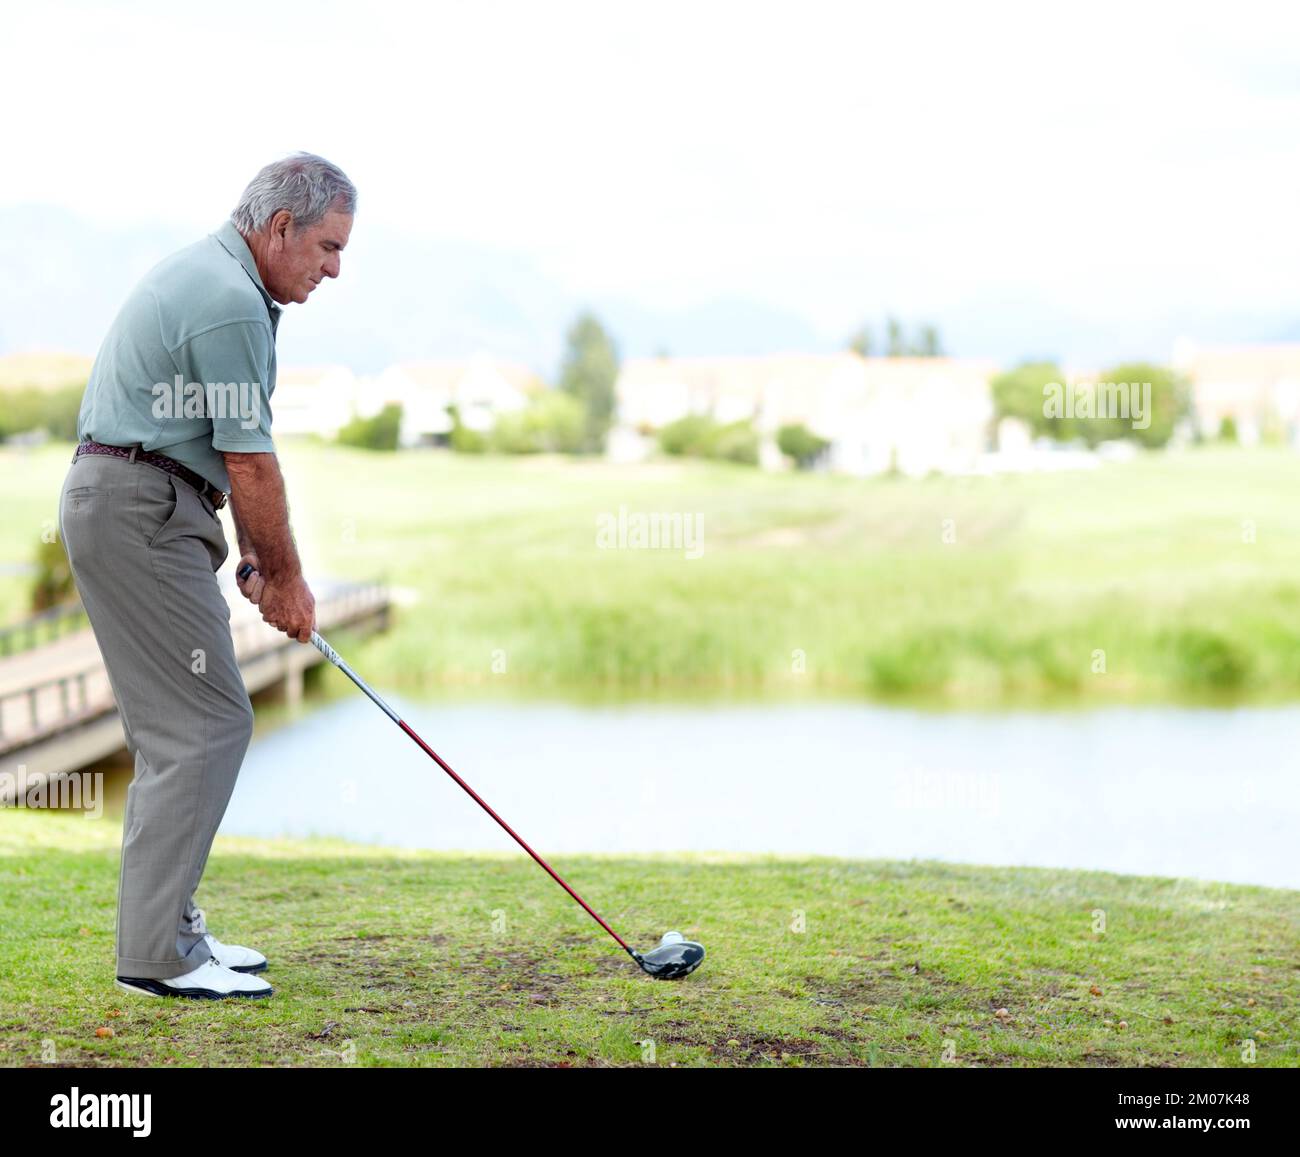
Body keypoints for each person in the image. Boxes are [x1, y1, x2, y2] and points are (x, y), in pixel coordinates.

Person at [58, 153, 356, 999]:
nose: (333, 269)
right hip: (138, 510)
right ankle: (158, 953)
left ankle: (172, 931)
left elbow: (225, 454)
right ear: (281, 227)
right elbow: (249, 461)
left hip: (145, 504)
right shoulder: (230, 300)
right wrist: (289, 580)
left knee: (184, 728)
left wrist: (256, 556)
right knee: (208, 724)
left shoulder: (224, 282)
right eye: (327, 248)